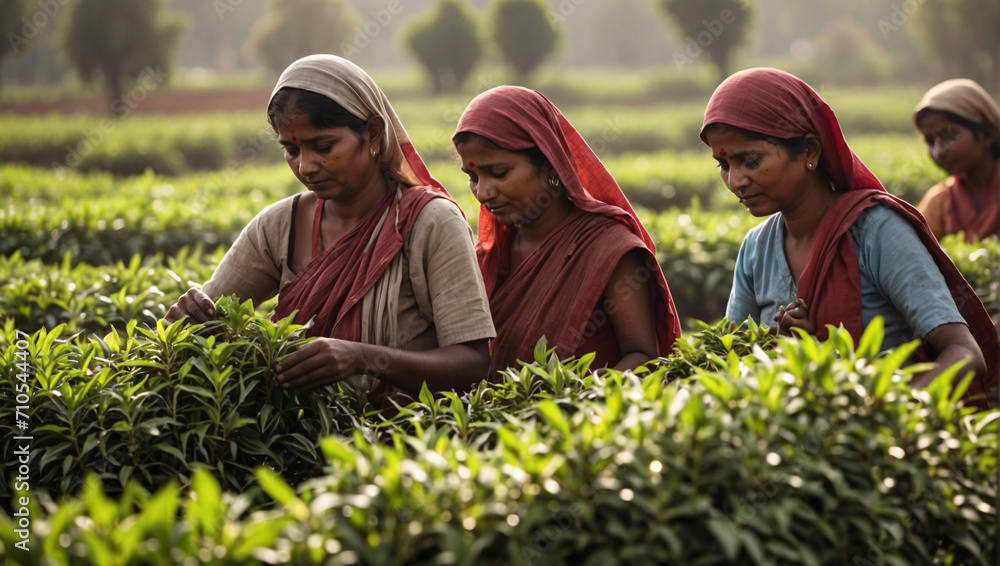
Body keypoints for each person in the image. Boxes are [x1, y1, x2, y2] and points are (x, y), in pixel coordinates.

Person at [166, 54, 495, 406]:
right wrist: (188, 318)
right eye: (291, 150)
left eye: (323, 147)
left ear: (372, 133)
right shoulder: (280, 225)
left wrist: (363, 358)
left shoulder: (430, 224)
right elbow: (209, 320)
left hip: (403, 445)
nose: (306, 166)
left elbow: (473, 362)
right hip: (297, 444)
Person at [701, 67, 997, 410]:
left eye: (750, 161)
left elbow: (964, 352)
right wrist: (777, 350)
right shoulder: (756, 248)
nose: (736, 181)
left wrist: (880, 409)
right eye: (723, 166)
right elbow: (729, 363)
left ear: (810, 151)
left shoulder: (877, 231)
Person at [451, 85, 680, 378]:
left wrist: (574, 401)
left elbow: (644, 358)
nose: (483, 192)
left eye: (499, 173)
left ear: (549, 165)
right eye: (473, 177)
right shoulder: (489, 257)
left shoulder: (609, 249)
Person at [912, 78, 1000, 242]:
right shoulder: (938, 202)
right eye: (931, 142)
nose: (938, 152)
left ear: (987, 133)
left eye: (949, 136)